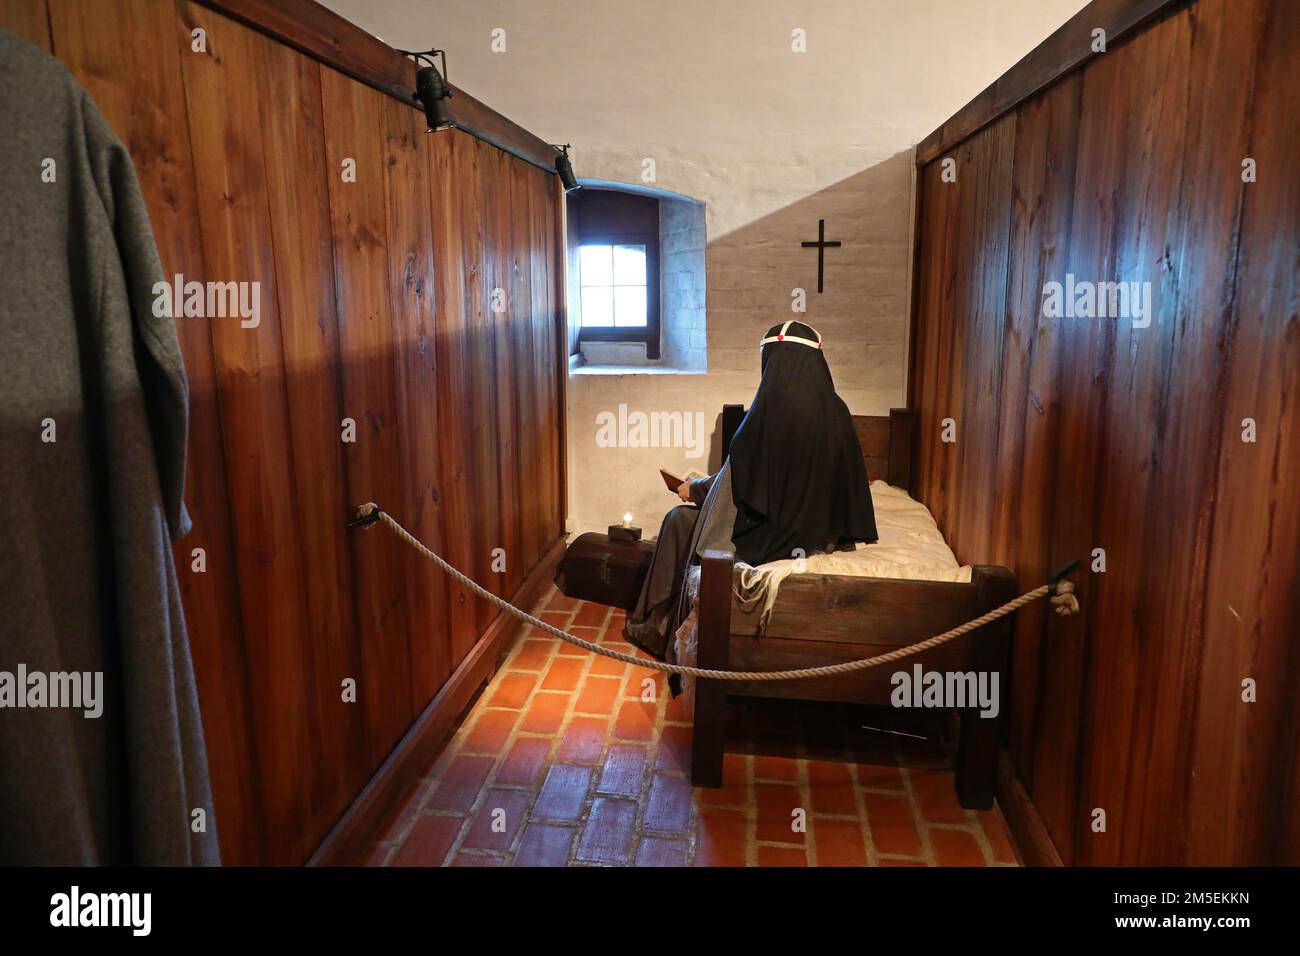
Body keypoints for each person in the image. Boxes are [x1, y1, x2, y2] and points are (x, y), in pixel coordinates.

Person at [624, 320, 878, 659]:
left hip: (767, 541)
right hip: (819, 537)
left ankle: (656, 627)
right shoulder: (839, 412)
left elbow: (738, 486)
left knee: (678, 520)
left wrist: (693, 488)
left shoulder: (767, 415)